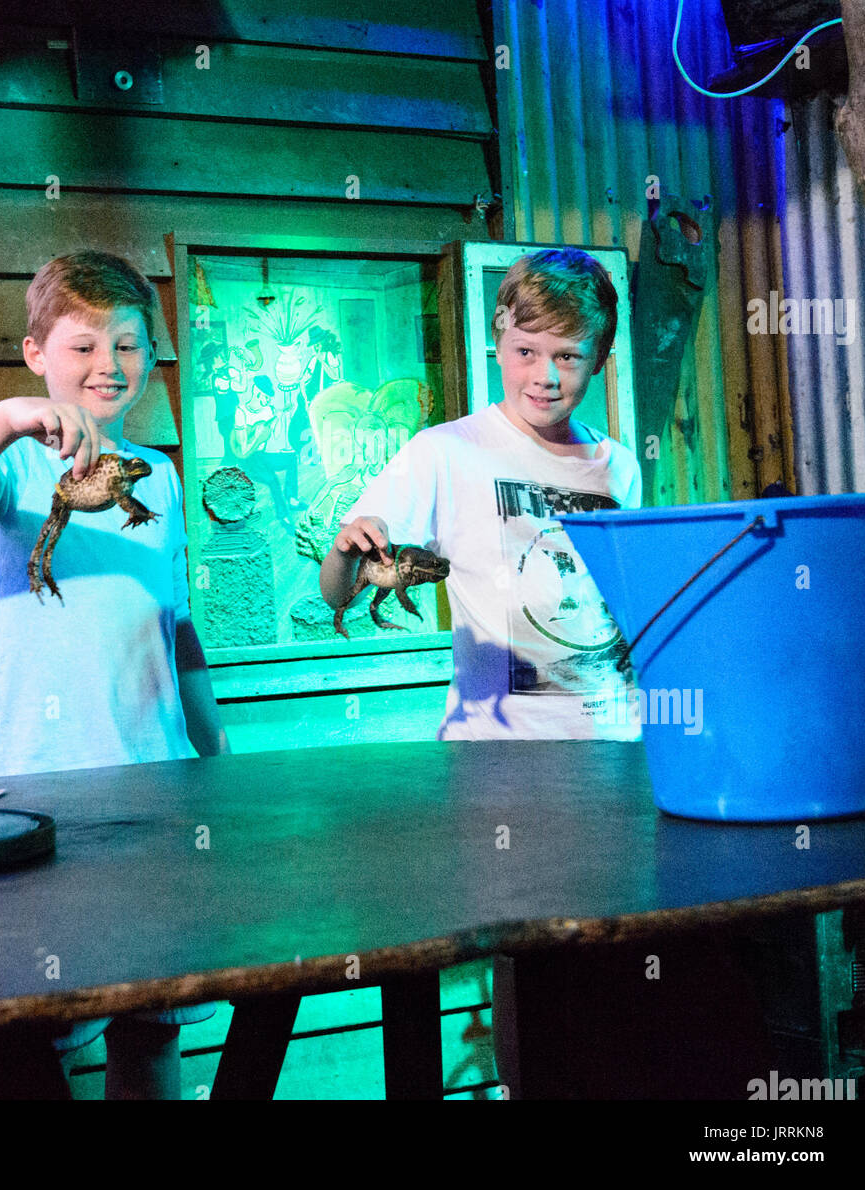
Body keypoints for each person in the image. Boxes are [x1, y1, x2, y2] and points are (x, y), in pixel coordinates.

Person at [0, 250, 230, 1100]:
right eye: (83, 346)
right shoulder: (11, 462)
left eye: (127, 345)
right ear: (36, 353)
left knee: (154, 1022)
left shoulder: (161, 471)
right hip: (44, 791)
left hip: (162, 789)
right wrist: (9, 418)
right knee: (43, 1035)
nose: (108, 366)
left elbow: (176, 616)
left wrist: (213, 738)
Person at [318, 247, 644, 1094]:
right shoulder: (445, 451)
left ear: (600, 359)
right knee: (527, 971)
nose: (545, 375)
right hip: (502, 764)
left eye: (569, 356)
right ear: (499, 339)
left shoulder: (617, 465)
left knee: (618, 971)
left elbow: (629, 601)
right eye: (528, 351)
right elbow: (341, 585)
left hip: (615, 750)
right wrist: (349, 553)